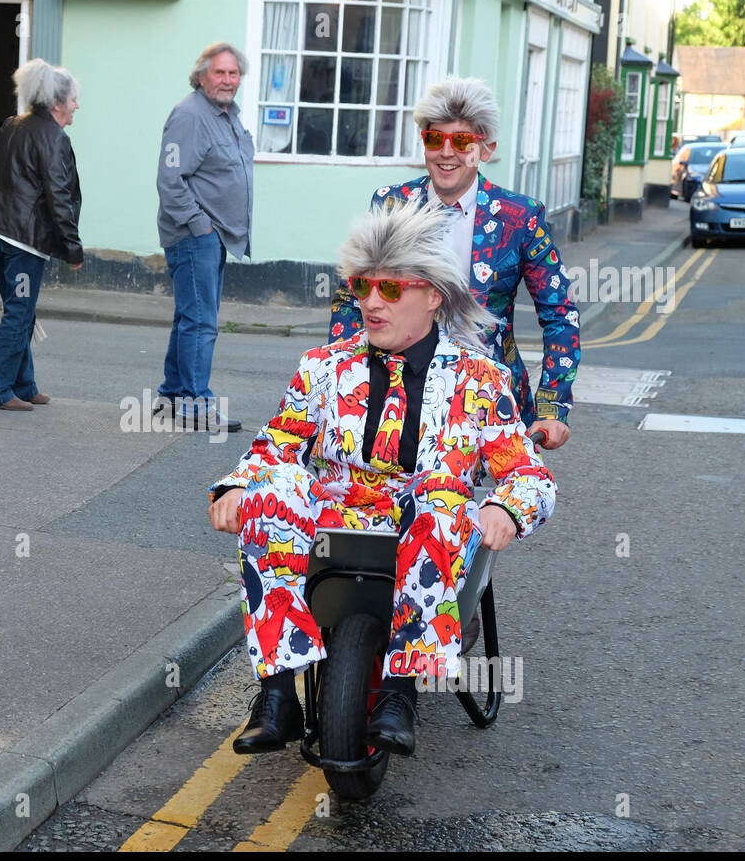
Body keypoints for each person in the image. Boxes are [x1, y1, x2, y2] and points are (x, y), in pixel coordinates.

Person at [209, 202, 555, 756]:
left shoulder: (480, 379)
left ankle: (399, 694)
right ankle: (277, 696)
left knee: (441, 496)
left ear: (433, 295)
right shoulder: (323, 368)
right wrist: (235, 488)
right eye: (363, 286)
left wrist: (506, 507)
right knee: (270, 489)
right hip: (336, 524)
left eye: (391, 290)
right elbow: (277, 444)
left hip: (429, 527)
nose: (370, 302)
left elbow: (529, 473)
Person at [327, 76, 579, 450]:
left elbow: (560, 313)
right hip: (397, 389)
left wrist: (552, 406)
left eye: (462, 141)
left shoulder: (519, 216)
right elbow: (351, 298)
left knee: (473, 506)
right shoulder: (391, 203)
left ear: (486, 149)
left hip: (483, 396)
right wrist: (343, 376)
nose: (447, 153)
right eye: (435, 139)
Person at [155, 42, 255, 433]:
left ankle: (171, 397)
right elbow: (169, 178)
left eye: (234, 74)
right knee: (201, 322)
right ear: (201, 76)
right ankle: (197, 407)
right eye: (220, 73)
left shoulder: (227, 114)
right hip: (195, 234)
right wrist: (201, 225)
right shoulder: (189, 115)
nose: (228, 80)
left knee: (189, 317)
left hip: (215, 234)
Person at [0, 59, 83, 411]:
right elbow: (59, 196)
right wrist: (73, 248)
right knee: (20, 312)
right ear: (56, 102)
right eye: (73, 100)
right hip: (23, 242)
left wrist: (7, 202)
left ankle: (23, 384)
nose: (76, 106)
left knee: (18, 309)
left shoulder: (11, 125)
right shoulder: (54, 138)